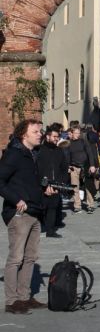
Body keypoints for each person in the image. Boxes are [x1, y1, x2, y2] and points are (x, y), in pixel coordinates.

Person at [0, 119, 53, 314]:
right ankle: (12, 301)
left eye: (40, 131)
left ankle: (24, 297)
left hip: (35, 211)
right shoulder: (14, 154)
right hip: (19, 213)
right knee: (16, 258)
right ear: (24, 135)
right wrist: (16, 200)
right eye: (36, 131)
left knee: (30, 257)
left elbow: (30, 182)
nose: (40, 134)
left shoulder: (33, 154)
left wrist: (44, 190)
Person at [36, 124, 68, 237]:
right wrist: (42, 184)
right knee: (40, 207)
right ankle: (38, 226)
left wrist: (60, 184)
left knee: (52, 207)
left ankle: (50, 230)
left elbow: (64, 168)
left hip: (55, 184)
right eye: (54, 136)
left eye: (57, 137)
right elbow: (35, 169)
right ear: (48, 136)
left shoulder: (59, 151)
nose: (57, 139)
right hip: (41, 185)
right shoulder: (39, 150)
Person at [66, 123, 99, 213]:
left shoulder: (83, 141)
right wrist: (68, 165)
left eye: (78, 133)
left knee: (88, 186)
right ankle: (77, 206)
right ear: (72, 133)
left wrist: (92, 165)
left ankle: (90, 205)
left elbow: (90, 153)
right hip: (74, 167)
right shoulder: (69, 143)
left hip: (85, 166)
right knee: (75, 187)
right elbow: (67, 155)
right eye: (76, 133)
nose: (78, 134)